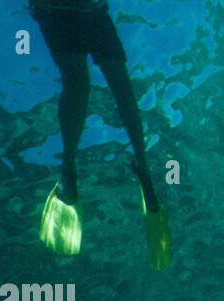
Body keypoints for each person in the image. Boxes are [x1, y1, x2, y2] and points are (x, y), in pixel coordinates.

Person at [31, 0, 171, 268]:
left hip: (54, 9)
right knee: (121, 83)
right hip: (92, 8)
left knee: (76, 80)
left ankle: (68, 171)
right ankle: (143, 168)